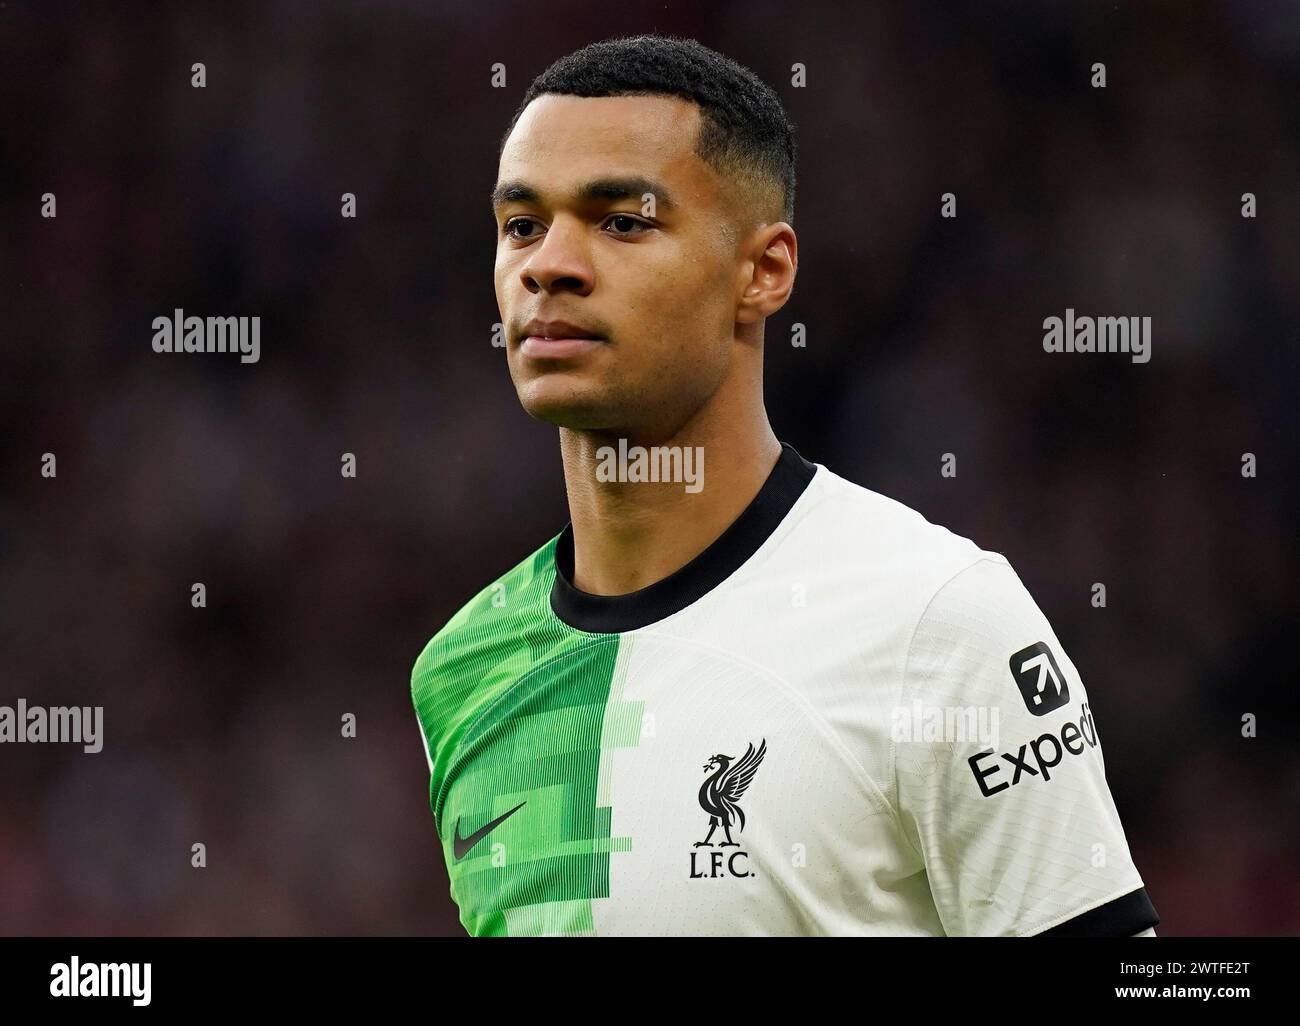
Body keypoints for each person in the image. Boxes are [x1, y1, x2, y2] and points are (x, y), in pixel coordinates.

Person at [411, 34, 1159, 937]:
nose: (548, 265)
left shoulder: (937, 622)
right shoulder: (464, 670)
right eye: (522, 224)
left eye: (623, 221)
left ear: (762, 272)